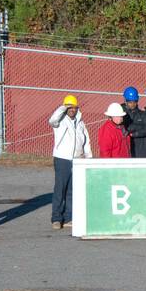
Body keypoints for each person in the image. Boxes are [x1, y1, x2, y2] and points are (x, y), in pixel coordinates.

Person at [48, 94, 92, 229]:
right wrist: (63, 107)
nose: (72, 110)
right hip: (62, 159)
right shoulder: (59, 120)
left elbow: (86, 141)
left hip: (77, 159)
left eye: (74, 107)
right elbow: (52, 120)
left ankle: (69, 218)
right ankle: (56, 218)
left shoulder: (80, 123)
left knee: (72, 190)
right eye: (69, 107)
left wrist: (88, 157)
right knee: (60, 189)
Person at [121, 85, 146, 157]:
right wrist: (140, 126)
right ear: (125, 101)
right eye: (130, 102)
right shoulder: (121, 113)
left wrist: (134, 134)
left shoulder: (142, 114)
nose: (132, 104)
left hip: (142, 152)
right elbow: (125, 128)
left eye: (135, 101)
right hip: (127, 152)